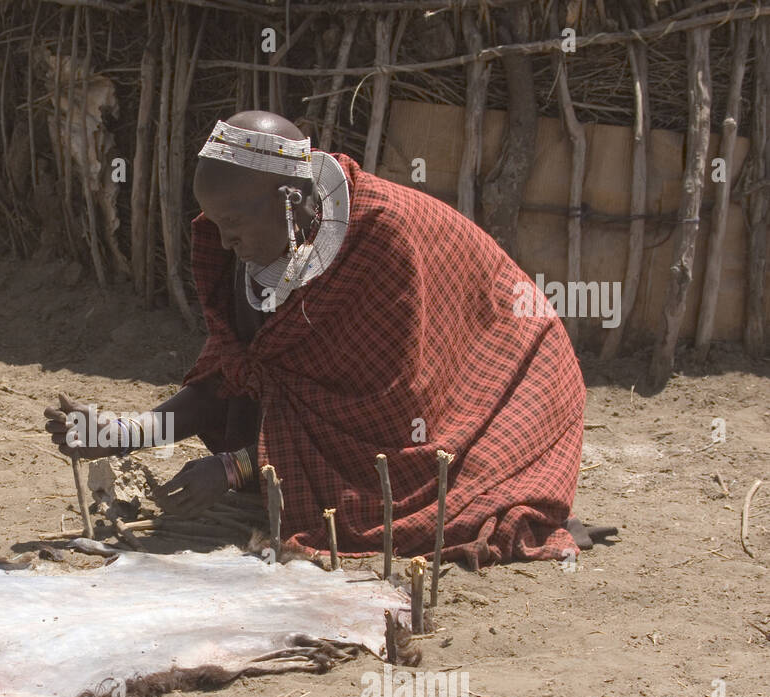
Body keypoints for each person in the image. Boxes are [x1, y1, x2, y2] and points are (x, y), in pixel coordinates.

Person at [45, 110, 590, 568]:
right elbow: (242, 374)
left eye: (232, 220)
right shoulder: (260, 247)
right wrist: (125, 433)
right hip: (419, 396)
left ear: (290, 198)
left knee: (393, 514)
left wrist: (237, 468)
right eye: (214, 222)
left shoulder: (383, 242)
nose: (224, 239)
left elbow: (385, 419)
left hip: (510, 376)